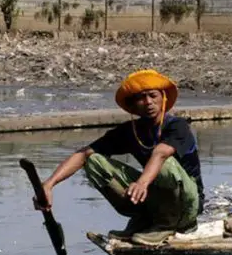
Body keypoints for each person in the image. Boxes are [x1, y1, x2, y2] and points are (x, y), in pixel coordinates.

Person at [34, 69, 204, 245]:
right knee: (94, 161)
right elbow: (84, 154)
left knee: (166, 163)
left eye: (153, 96)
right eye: (141, 98)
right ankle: (144, 217)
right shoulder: (130, 131)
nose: (148, 102)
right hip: (155, 199)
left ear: (163, 98)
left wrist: (142, 182)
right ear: (132, 105)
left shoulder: (178, 126)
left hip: (187, 204)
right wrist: (48, 184)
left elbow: (160, 153)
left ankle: (167, 224)